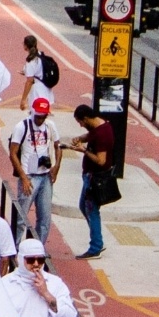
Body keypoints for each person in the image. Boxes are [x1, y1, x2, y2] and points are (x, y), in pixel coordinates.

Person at [65, 104, 115, 259]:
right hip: (90, 175)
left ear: (85, 118)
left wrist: (83, 150)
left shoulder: (102, 136)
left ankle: (95, 247)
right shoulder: (100, 125)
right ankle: (97, 238)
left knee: (91, 210)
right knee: (85, 206)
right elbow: (91, 134)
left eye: (80, 122)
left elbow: (101, 160)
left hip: (95, 177)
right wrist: (80, 138)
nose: (80, 125)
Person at [8, 97, 58, 248]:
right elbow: (13, 153)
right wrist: (23, 177)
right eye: (38, 116)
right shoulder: (22, 127)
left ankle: (38, 249)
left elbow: (58, 146)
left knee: (44, 218)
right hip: (28, 176)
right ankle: (14, 249)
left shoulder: (50, 126)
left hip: (45, 176)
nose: (41, 119)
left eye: (44, 116)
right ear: (33, 112)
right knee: (21, 217)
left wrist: (56, 167)